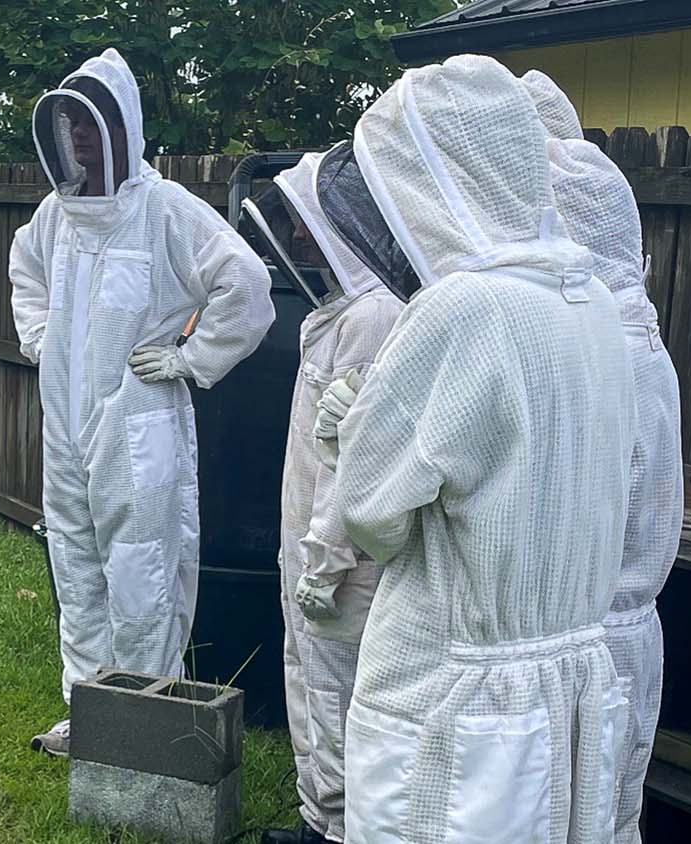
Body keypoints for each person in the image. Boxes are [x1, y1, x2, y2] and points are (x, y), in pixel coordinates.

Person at [313, 55, 636, 842]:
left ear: (425, 178)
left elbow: (372, 513)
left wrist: (352, 429)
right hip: (570, 675)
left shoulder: (462, 309)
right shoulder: (593, 299)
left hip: (450, 678)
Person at [9, 47, 275, 755]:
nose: (82, 137)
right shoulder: (55, 216)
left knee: (142, 573)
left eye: (93, 123)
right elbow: (25, 274)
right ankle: (90, 714)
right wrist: (40, 340)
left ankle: (145, 725)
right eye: (72, 125)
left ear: (123, 125)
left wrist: (190, 359)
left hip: (137, 417)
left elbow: (245, 287)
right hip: (64, 418)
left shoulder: (163, 209)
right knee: (76, 567)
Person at [527, 72, 684, 844]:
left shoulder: (603, 352)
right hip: (621, 637)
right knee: (610, 813)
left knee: (579, 816)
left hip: (589, 639)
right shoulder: (639, 336)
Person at [237, 150, 403, 844]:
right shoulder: (340, 314)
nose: (299, 237)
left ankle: (341, 830)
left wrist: (328, 558)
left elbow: (353, 458)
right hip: (309, 544)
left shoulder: (373, 319)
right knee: (308, 679)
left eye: (308, 223)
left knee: (340, 693)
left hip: (341, 562)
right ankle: (319, 817)